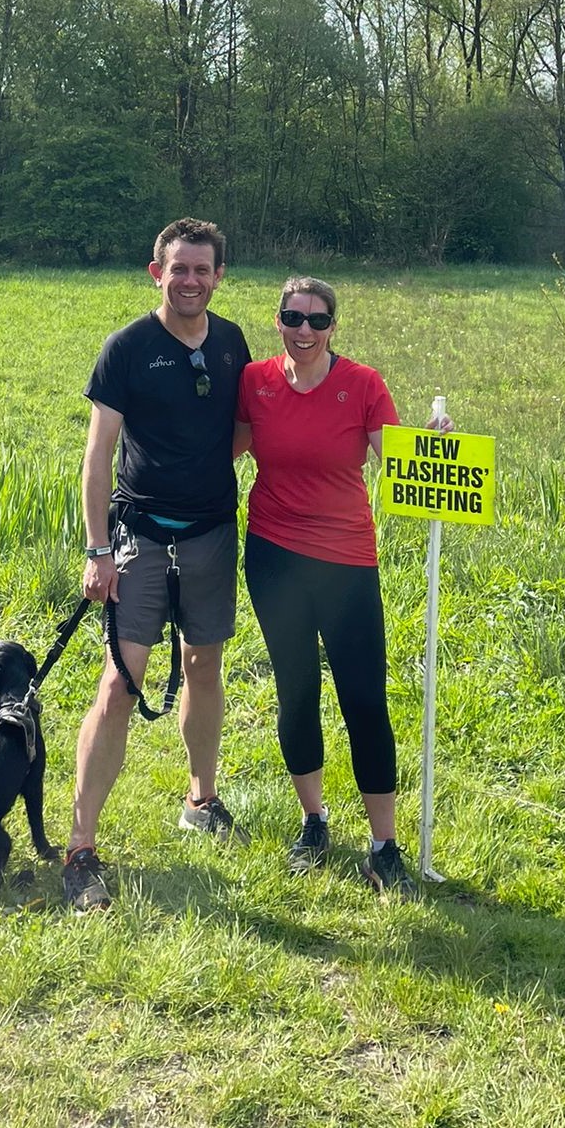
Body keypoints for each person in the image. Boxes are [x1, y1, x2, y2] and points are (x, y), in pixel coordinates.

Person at [62, 218, 250, 913]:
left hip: (210, 536)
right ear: (156, 273)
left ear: (219, 277)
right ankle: (80, 846)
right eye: (179, 270)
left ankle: (201, 801)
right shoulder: (128, 349)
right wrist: (98, 549)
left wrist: (198, 473)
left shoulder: (231, 341)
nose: (191, 281)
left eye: (203, 270)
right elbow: (97, 456)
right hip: (137, 540)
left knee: (204, 667)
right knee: (120, 681)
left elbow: (244, 426)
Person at [234, 276, 420, 897]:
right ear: (278, 321)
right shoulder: (256, 382)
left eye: (317, 320)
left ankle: (384, 844)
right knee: (296, 692)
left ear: (334, 326)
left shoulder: (362, 385)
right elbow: (223, 452)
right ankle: (313, 821)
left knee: (365, 699)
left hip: (346, 563)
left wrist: (435, 443)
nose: (304, 330)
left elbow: (397, 457)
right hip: (274, 558)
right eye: (293, 318)